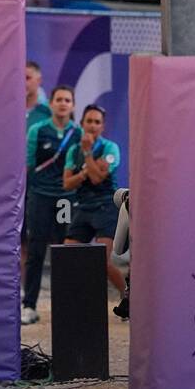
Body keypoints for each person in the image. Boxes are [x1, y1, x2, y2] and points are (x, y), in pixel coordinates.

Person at [22, 85, 80, 324]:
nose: (63, 103)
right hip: (40, 198)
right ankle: (29, 306)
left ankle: (65, 306)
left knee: (64, 251)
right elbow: (27, 164)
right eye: (59, 99)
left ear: (73, 105)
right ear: (52, 104)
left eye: (67, 100)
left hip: (66, 200)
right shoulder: (38, 130)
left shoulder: (78, 133)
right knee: (35, 251)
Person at [62, 104, 128, 312]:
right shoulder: (73, 150)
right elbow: (67, 183)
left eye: (97, 122)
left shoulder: (110, 149)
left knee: (101, 260)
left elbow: (98, 179)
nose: (92, 126)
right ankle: (77, 305)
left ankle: (128, 295)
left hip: (106, 206)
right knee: (68, 255)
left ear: (103, 127)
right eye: (89, 121)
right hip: (83, 207)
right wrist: (85, 173)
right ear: (81, 124)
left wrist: (87, 155)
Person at [21, 61, 52, 281]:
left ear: (38, 81)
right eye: (19, 77)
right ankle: (20, 289)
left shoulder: (47, 113)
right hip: (9, 186)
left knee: (37, 240)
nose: (23, 83)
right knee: (18, 240)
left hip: (38, 186)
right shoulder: (5, 107)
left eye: (27, 78)